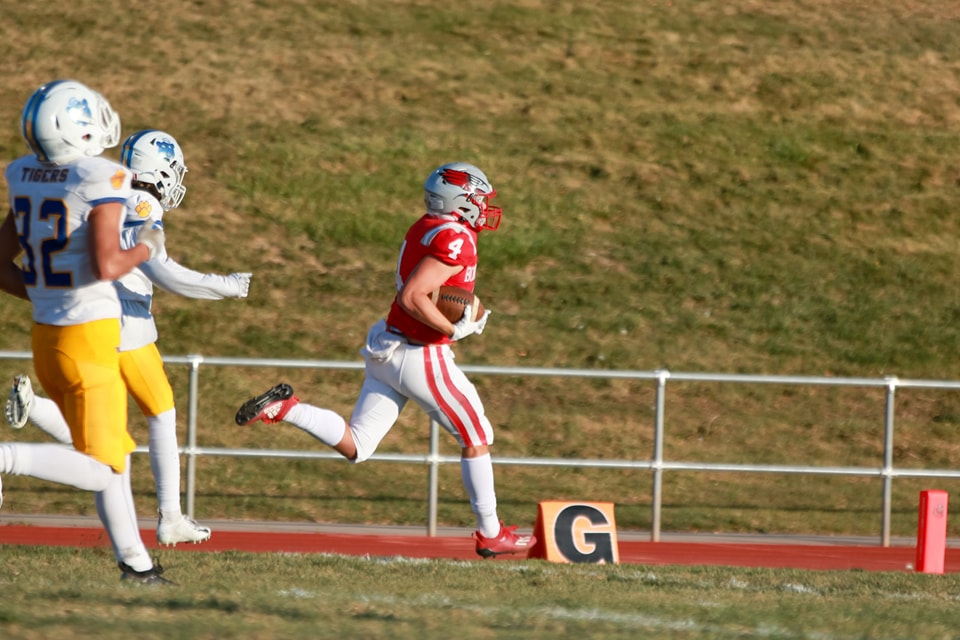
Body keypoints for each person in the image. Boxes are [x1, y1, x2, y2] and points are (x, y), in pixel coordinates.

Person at [235, 162, 536, 558]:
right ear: (460, 200)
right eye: (479, 198)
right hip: (419, 354)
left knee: (359, 445)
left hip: (388, 348)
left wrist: (462, 312)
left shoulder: (426, 225)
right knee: (476, 436)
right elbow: (413, 297)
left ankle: (286, 409)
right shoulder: (455, 237)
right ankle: (491, 533)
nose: (484, 205)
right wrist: (452, 329)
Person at [4, 129, 252, 546]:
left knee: (109, 436)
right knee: (154, 418)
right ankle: (169, 518)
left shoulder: (106, 189)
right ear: (160, 171)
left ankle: (38, 410)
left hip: (82, 322)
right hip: (125, 325)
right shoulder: (143, 201)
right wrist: (223, 285)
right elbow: (161, 268)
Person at [0, 80, 170, 583]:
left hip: (49, 339)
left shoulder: (25, 175)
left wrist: (45, 294)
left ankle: (137, 567)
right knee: (101, 467)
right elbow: (108, 262)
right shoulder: (101, 176)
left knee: (115, 455)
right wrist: (149, 247)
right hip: (88, 340)